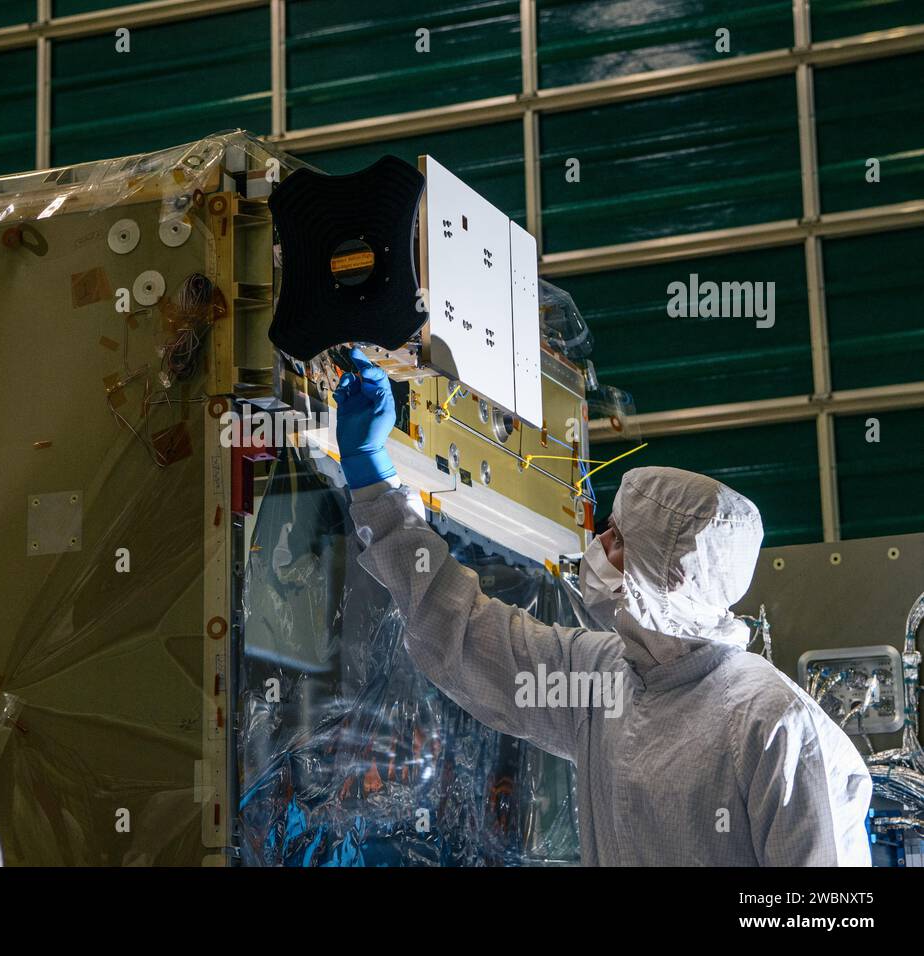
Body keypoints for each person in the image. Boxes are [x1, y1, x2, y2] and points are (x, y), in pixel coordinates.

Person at [333, 347, 872, 865]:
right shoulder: (602, 679)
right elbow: (464, 632)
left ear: (672, 576)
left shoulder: (775, 726)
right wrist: (373, 482)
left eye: (616, 538)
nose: (598, 546)